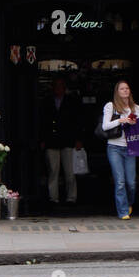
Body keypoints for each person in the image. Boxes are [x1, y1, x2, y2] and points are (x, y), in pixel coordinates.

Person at [101, 80, 139, 220]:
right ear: (117, 92)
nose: (125, 90)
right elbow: (105, 126)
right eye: (122, 89)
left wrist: (135, 123)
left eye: (127, 88)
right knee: (120, 181)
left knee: (131, 182)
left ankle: (129, 203)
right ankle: (123, 211)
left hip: (131, 146)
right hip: (114, 147)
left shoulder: (136, 108)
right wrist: (121, 120)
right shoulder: (111, 106)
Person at [39, 75, 82, 206]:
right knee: (53, 171)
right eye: (56, 86)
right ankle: (53, 198)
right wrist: (42, 140)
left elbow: (77, 121)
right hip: (51, 141)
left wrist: (78, 139)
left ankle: (71, 197)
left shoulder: (72, 101)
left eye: (61, 86)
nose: (58, 88)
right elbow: (42, 122)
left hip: (68, 140)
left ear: (65, 88)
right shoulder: (47, 101)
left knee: (70, 172)